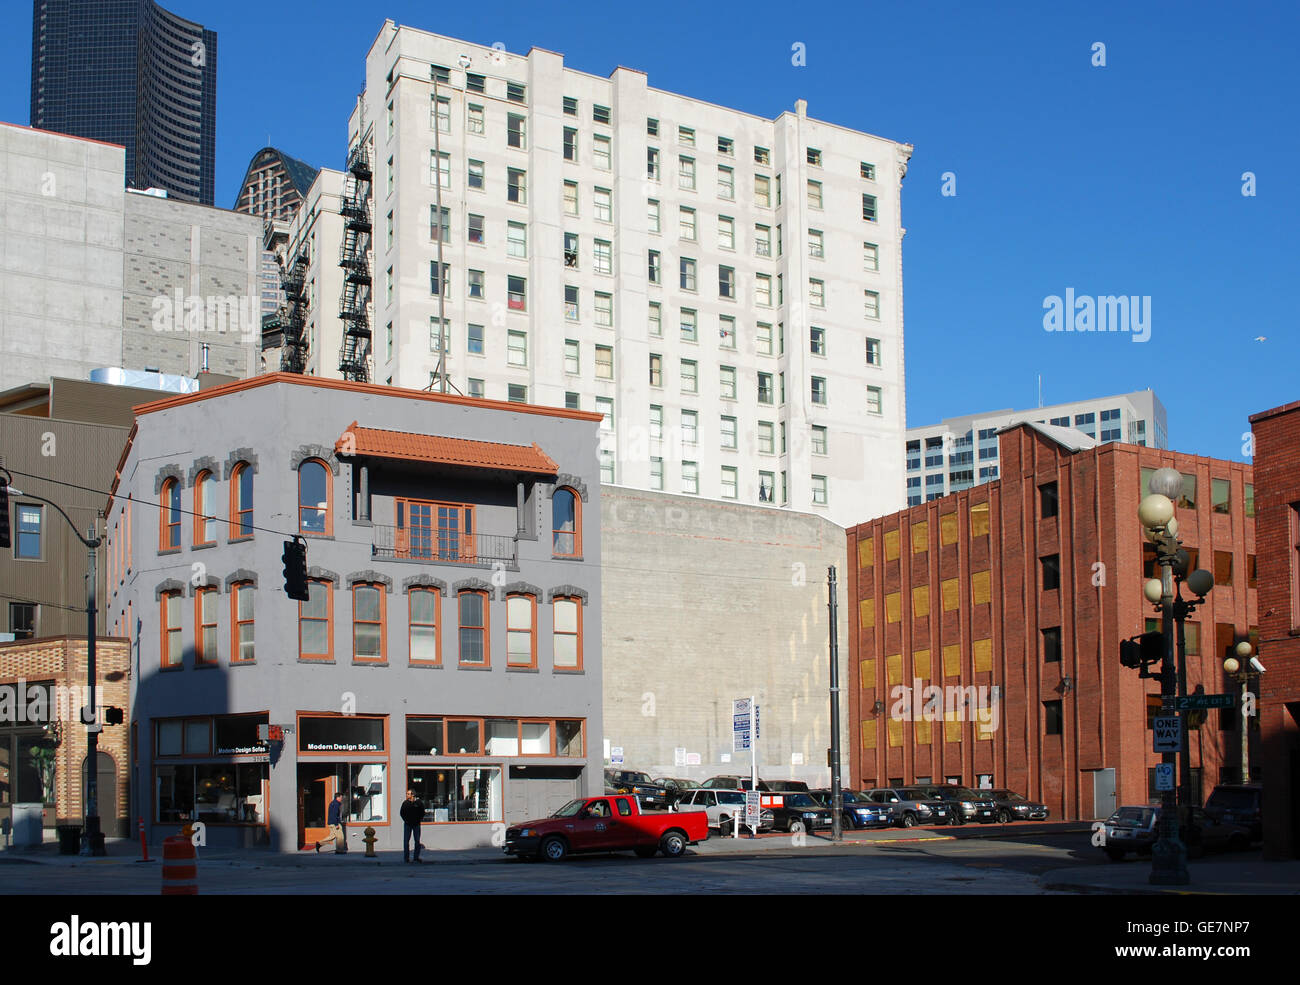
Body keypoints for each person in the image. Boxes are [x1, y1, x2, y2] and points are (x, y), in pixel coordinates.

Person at [400, 789, 425, 863]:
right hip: (407, 824)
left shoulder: (419, 803)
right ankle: (406, 858)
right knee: (406, 841)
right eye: (407, 794)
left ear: (413, 795)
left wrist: (419, 820)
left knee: (417, 841)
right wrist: (406, 820)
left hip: (416, 825)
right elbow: (402, 813)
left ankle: (416, 857)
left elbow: (422, 812)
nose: (407, 795)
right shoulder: (405, 803)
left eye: (408, 794)